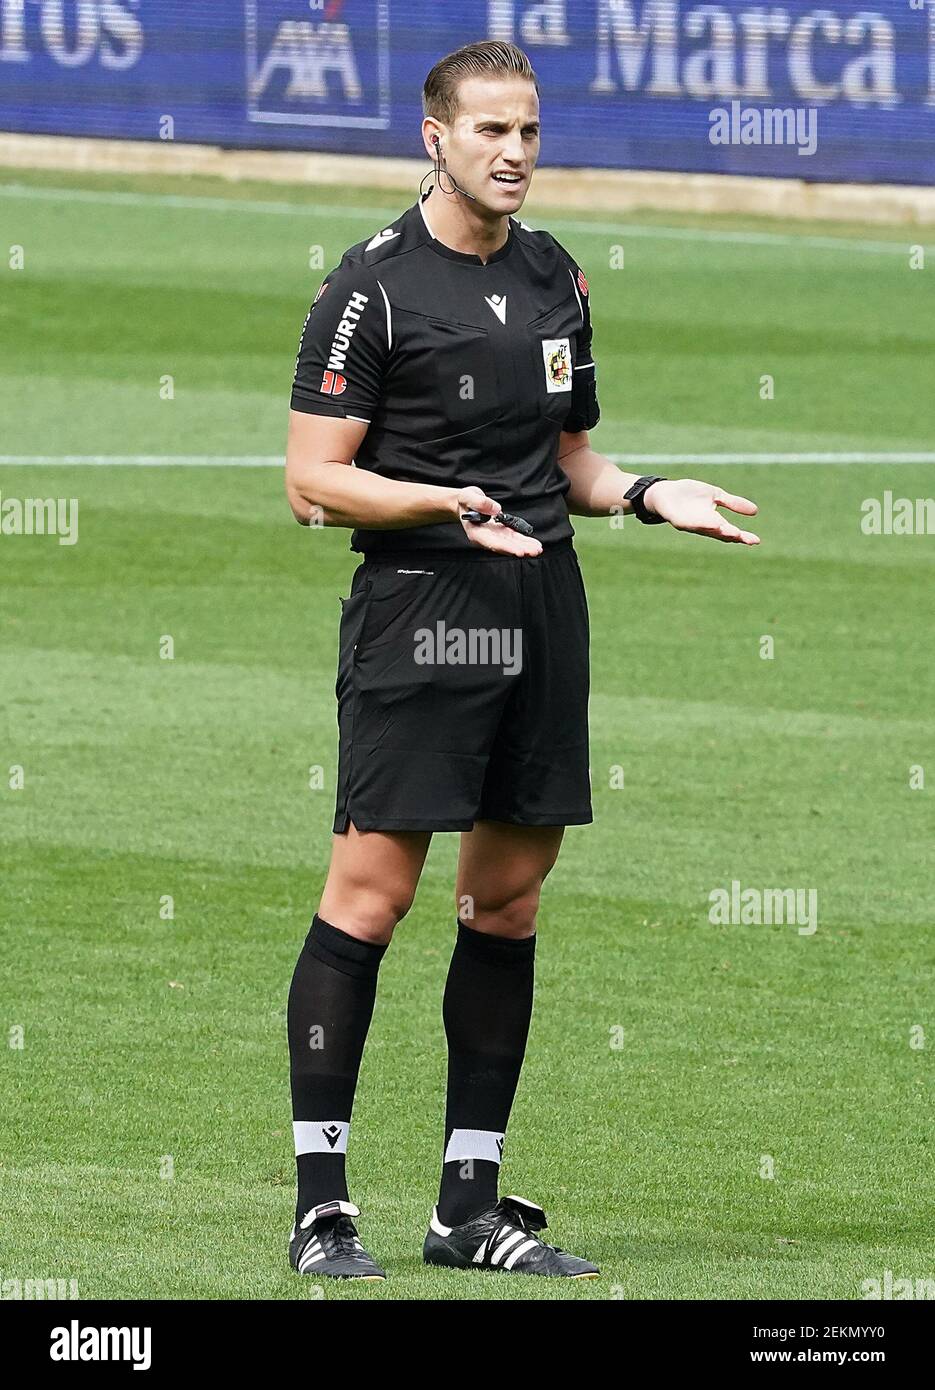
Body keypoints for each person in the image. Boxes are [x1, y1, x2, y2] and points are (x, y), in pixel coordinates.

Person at [283, 39, 759, 1283]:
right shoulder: (371, 286)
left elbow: (571, 462)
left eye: (529, 131)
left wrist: (649, 493)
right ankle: (323, 1204)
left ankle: (466, 1204)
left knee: (505, 901)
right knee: (370, 899)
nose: (513, 152)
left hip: (542, 611)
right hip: (421, 610)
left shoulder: (556, 276)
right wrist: (445, 507)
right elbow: (310, 482)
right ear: (431, 138)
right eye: (488, 130)